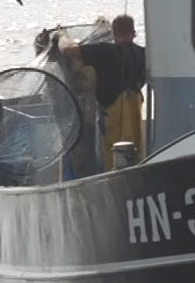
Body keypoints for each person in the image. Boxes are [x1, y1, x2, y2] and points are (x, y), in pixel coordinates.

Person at [62, 14, 146, 168]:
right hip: (135, 115)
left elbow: (68, 51)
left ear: (113, 33)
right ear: (134, 33)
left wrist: (60, 36)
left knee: (111, 154)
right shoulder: (143, 54)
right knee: (135, 153)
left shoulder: (104, 51)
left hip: (110, 116)